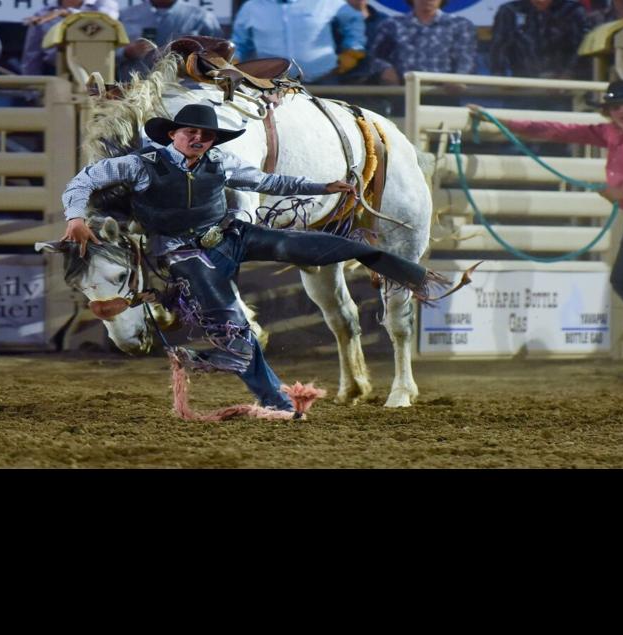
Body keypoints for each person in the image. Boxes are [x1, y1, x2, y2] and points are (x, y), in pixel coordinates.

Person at [61, 104, 453, 410]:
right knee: (236, 332)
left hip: (234, 236)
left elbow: (269, 182)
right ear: (172, 135)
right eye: (190, 132)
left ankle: (415, 277)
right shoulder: (139, 166)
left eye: (205, 134)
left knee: (327, 245)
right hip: (191, 255)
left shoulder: (220, 162)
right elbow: (84, 180)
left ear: (213, 140)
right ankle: (275, 401)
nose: (198, 138)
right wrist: (76, 217)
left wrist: (321, 185)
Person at [469, 80, 623, 382]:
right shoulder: (612, 132)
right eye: (615, 106)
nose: (621, 111)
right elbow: (555, 130)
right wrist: (499, 120)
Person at [231, 0, 367, 85]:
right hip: (271, 85)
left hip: (324, 81)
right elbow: (240, 43)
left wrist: (353, 50)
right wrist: (233, 61)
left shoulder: (326, 2)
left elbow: (353, 20)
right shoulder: (252, 6)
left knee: (333, 129)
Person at [370, 0, 477, 84]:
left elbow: (466, 59)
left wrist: (458, 79)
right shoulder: (393, 24)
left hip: (443, 91)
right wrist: (386, 69)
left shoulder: (459, 25)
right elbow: (376, 56)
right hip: (403, 90)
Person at [488, 0, 590, 80]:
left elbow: (583, 48)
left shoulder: (573, 10)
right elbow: (498, 49)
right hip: (521, 88)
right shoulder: (509, 11)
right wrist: (503, 79)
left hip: (564, 89)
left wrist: (568, 75)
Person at [118, 0, 224, 75]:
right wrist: (125, 52)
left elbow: (219, 57)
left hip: (184, 93)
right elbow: (105, 53)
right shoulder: (124, 15)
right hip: (132, 93)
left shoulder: (201, 17)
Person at [21, 0, 121, 76]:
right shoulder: (42, 14)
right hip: (55, 73)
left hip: (97, 73)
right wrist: (33, 93)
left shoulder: (104, 3)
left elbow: (105, 22)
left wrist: (65, 13)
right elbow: (32, 56)